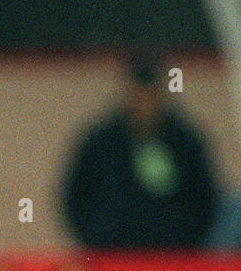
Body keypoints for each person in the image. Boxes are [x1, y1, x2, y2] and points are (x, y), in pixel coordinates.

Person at [62, 58, 219, 249]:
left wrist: (187, 241)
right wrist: (98, 238)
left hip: (172, 257)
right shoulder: (101, 142)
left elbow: (205, 198)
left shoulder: (184, 142)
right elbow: (76, 197)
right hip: (115, 256)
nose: (144, 104)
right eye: (138, 95)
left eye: (150, 96)